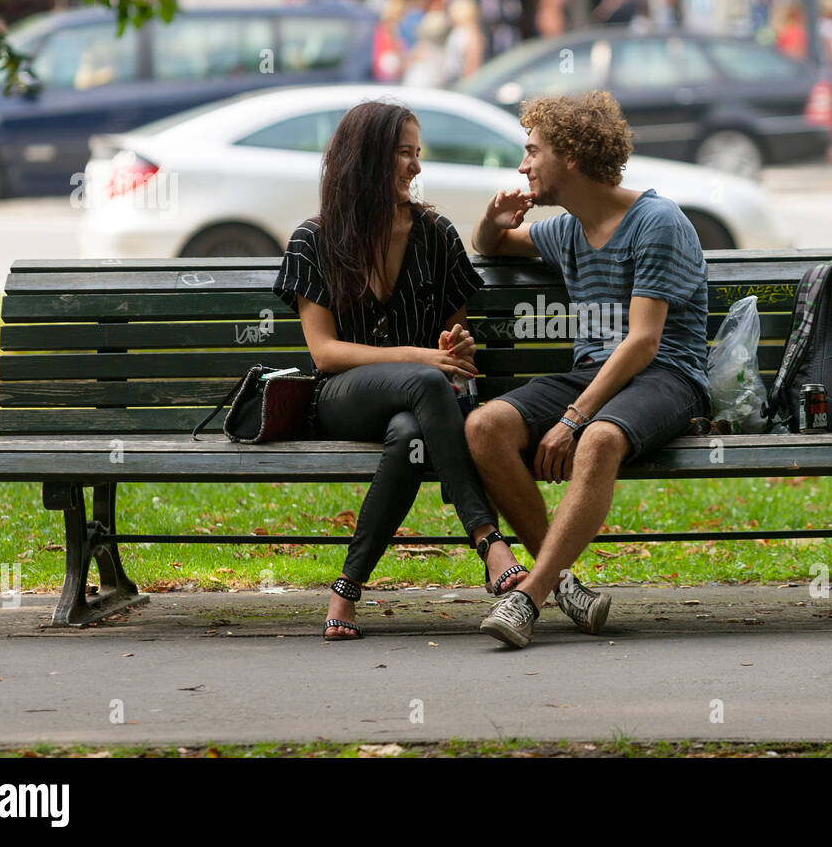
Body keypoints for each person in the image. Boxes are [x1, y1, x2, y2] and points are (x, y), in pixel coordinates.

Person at [272, 101, 527, 641]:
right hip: (342, 398)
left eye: (418, 154)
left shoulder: (434, 234)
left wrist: (452, 345)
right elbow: (325, 353)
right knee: (425, 381)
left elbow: (455, 345)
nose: (416, 166)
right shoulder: (314, 239)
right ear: (366, 160)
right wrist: (418, 357)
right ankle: (488, 540)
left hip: (421, 408)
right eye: (404, 154)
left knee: (410, 434)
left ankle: (346, 589)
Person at [465, 91, 711, 648]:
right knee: (484, 427)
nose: (523, 165)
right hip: (596, 374)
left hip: (667, 377)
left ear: (570, 156)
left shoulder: (657, 221)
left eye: (532, 151)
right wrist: (489, 220)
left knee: (598, 440)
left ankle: (526, 598)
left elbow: (644, 343)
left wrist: (574, 418)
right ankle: (564, 585)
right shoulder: (570, 228)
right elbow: (494, 245)